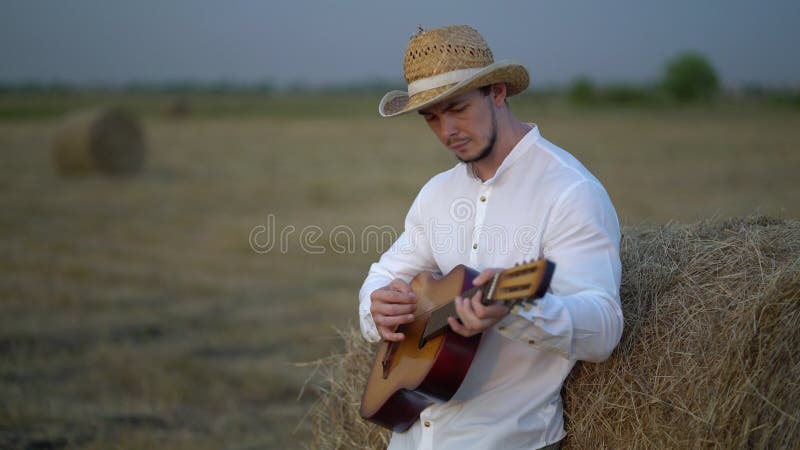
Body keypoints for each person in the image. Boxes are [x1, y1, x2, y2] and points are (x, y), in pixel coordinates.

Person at [358, 24, 623, 450]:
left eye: (458, 108)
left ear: (497, 92)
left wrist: (516, 312)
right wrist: (378, 307)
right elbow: (383, 273)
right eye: (431, 117)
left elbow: (604, 327)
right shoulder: (436, 194)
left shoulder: (570, 192)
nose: (447, 131)